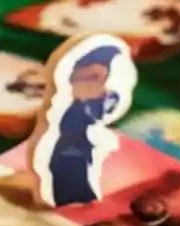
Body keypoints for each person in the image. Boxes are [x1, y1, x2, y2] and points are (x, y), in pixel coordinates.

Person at [46, 45, 124, 206]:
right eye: (89, 77)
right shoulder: (65, 101)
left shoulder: (105, 99)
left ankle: (80, 196)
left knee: (79, 168)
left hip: (84, 144)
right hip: (66, 144)